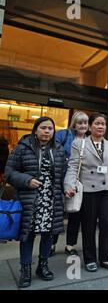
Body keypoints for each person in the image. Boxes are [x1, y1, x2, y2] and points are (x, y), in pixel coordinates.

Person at [6, 117, 67, 288]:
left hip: (51, 199)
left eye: (50, 128)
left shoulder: (59, 149)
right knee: (28, 236)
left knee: (48, 234)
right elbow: (9, 172)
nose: (47, 131)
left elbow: (64, 174)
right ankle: (25, 269)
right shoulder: (22, 148)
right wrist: (27, 180)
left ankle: (43, 265)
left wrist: (68, 188)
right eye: (43, 128)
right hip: (29, 200)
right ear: (35, 130)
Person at [64, 113, 108, 272]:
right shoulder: (79, 144)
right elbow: (72, 166)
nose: (100, 126)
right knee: (88, 225)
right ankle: (90, 259)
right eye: (97, 123)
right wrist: (69, 185)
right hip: (89, 191)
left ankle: (106, 258)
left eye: (103, 124)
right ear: (90, 126)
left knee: (106, 224)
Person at [50, 111, 89, 257]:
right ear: (74, 123)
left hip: (79, 181)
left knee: (75, 214)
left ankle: (70, 245)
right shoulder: (63, 135)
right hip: (60, 179)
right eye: (80, 122)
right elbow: (54, 151)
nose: (83, 125)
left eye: (85, 123)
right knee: (57, 213)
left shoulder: (90, 140)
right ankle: (51, 244)